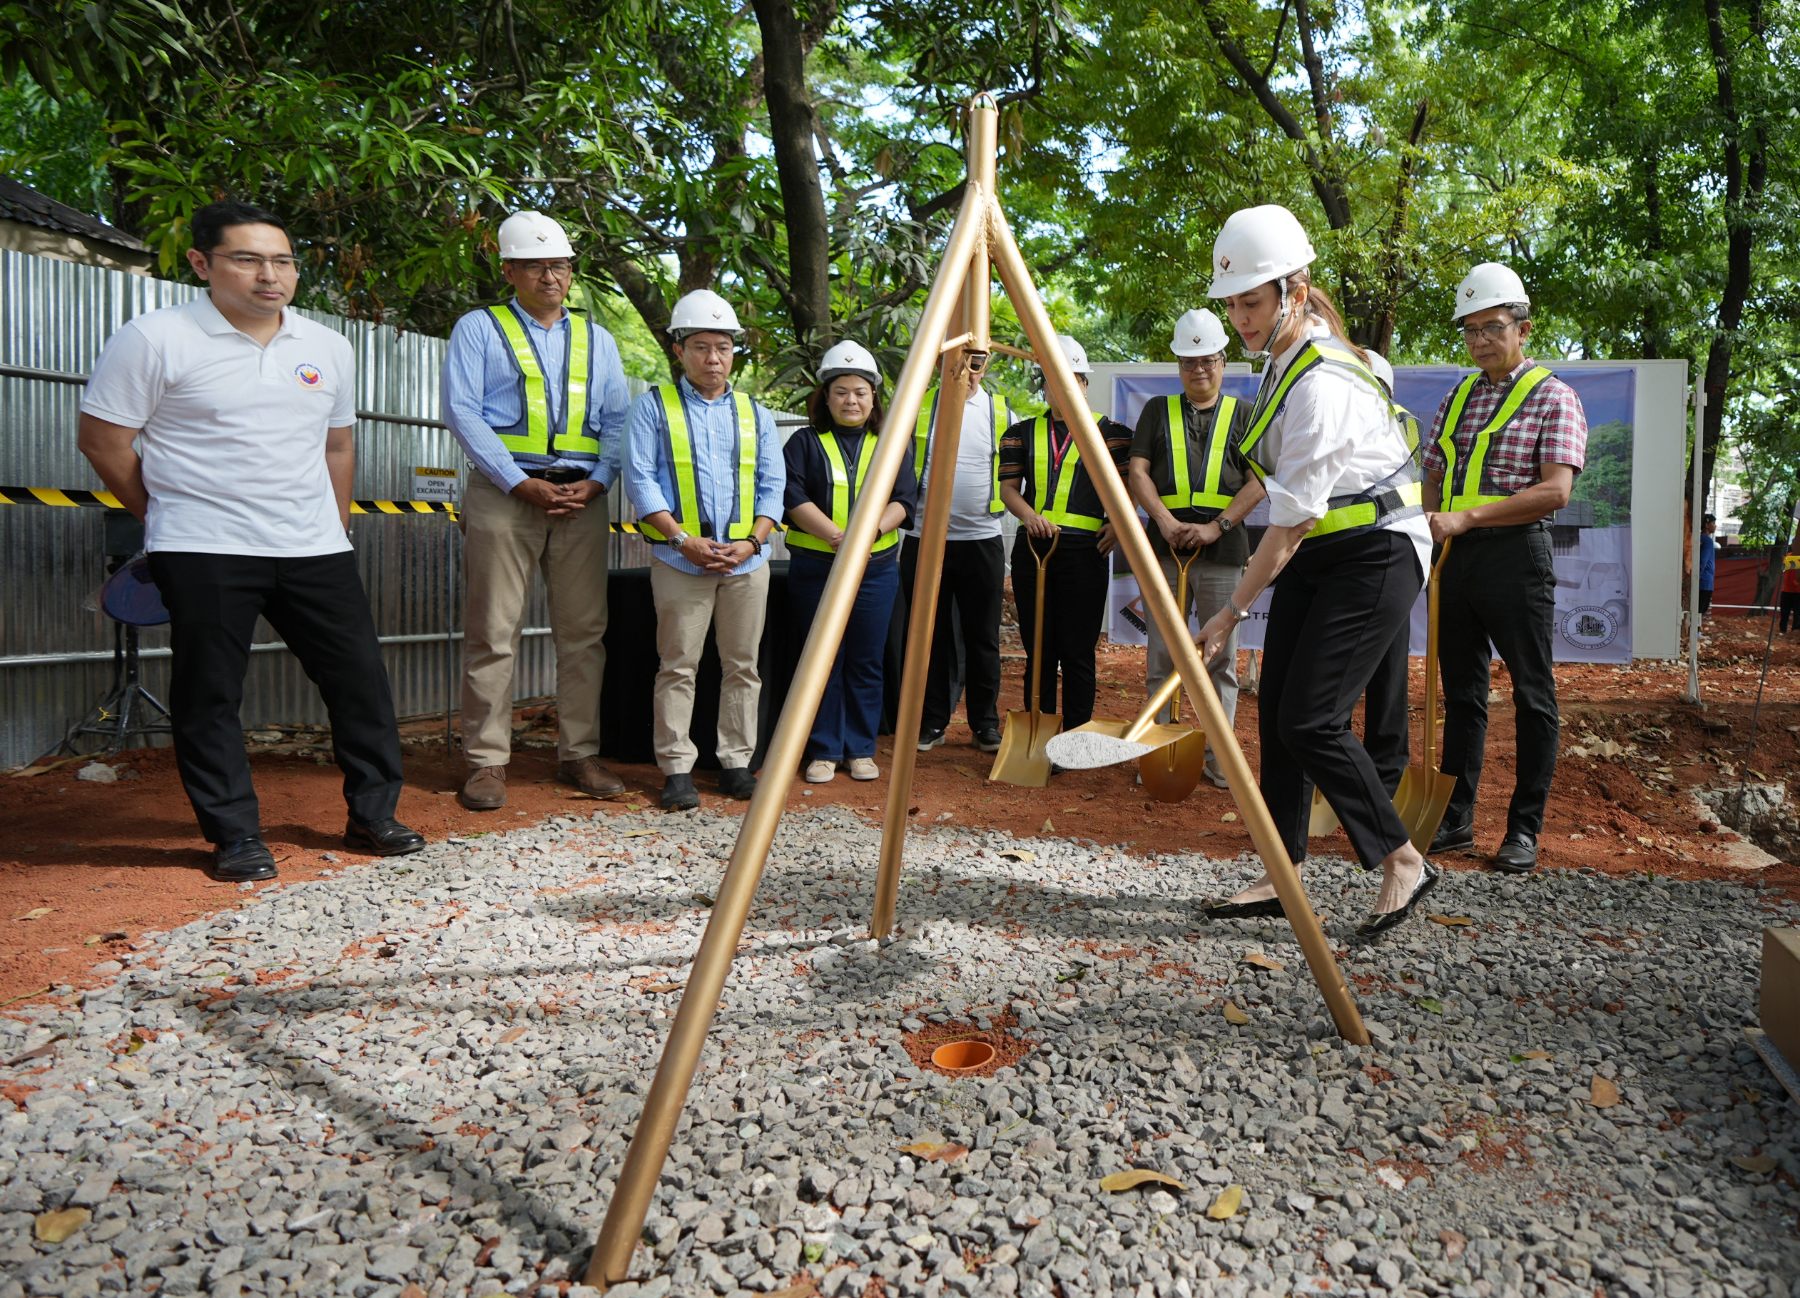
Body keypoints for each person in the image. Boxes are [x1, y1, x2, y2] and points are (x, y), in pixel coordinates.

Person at [76, 199, 423, 882]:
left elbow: (338, 443)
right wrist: (164, 517)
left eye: (283, 260)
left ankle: (373, 816)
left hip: (313, 547)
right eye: (248, 259)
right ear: (204, 263)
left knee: (360, 682)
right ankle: (234, 834)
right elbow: (104, 439)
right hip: (205, 546)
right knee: (210, 694)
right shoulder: (155, 338)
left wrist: (338, 522)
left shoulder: (327, 345)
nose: (270, 274)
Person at [1192, 204, 1436, 938]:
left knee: (1311, 715)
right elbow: (1280, 491)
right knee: (1278, 712)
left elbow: (1291, 522)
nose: (1239, 317)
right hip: (1329, 546)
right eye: (1231, 303)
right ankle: (1281, 868)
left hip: (1379, 551)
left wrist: (1229, 612)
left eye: (1252, 302)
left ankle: (1401, 860)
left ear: (1294, 292)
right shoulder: (1280, 361)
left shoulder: (1322, 381)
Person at [444, 211, 632, 812]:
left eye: (559, 264)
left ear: (571, 271)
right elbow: (463, 412)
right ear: (509, 271)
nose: (550, 275)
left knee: (584, 634)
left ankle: (578, 752)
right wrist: (515, 480)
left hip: (581, 498)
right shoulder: (479, 328)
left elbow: (619, 420)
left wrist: (601, 480)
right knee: (493, 632)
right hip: (505, 495)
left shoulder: (597, 338)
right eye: (535, 265)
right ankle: (486, 762)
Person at [1423, 262, 1588, 874]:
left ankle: (1523, 828)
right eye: (1470, 330)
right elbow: (1434, 469)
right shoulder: (1457, 396)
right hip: (1455, 559)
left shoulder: (1554, 396)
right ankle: (1456, 818)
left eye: (1492, 326)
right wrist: (1435, 519)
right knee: (1463, 695)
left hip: (1517, 557)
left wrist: (1466, 519)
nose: (1480, 340)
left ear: (1524, 328)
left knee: (1532, 693)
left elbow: (1555, 492)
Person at [623, 289, 785, 811]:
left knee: (742, 665)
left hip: (747, 562)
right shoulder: (652, 408)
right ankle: (676, 768)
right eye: (700, 347)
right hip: (680, 560)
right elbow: (641, 480)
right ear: (679, 349)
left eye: (722, 347)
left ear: (733, 351)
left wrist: (752, 542)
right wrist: (681, 540)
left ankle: (736, 762)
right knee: (678, 665)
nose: (713, 358)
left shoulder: (754, 414)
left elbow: (771, 485)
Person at [1126, 308, 1263, 788]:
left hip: (1223, 552)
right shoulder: (1155, 412)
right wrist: (1163, 521)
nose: (1198, 370)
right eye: (1189, 362)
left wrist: (1217, 526)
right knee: (1162, 654)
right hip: (1166, 550)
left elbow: (1259, 480)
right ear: (1179, 366)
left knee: (1220, 660)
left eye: (1207, 360)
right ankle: (1158, 751)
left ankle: (1218, 760)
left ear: (1223, 362)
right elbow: (1137, 471)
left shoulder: (1244, 414)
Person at [783, 341, 917, 783]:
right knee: (822, 659)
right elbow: (792, 497)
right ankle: (823, 749)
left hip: (874, 571)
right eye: (841, 391)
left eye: (860, 391)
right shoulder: (804, 441)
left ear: (874, 397)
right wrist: (838, 537)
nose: (851, 400)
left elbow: (904, 500)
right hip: (816, 569)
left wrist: (867, 536)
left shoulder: (892, 443)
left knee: (865, 659)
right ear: (826, 396)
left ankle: (860, 748)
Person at [994, 335, 1130, 736]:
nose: (1062, 387)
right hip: (1034, 549)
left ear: (1085, 383)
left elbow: (1126, 490)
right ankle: (1039, 734)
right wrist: (1030, 516)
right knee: (1039, 648)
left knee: (1077, 651)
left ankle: (1075, 736)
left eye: (1072, 378)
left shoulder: (1115, 434)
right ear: (1043, 384)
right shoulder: (1020, 433)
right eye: (1053, 379)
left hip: (1085, 552)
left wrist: (1119, 525)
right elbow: (1007, 491)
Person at [905, 357, 1012, 753]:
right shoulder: (918, 408)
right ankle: (933, 721)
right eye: (957, 361)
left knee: (983, 637)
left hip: (982, 539)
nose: (967, 370)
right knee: (931, 637)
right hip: (924, 539)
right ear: (937, 364)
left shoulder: (1000, 411)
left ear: (986, 365)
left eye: (976, 362)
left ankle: (984, 724)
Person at [1698, 513, 1717, 617]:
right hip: (1705, 582)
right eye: (1713, 523)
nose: (1715, 525)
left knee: (1699, 610)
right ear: (1706, 525)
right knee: (1701, 609)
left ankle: (1696, 632)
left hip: (1703, 580)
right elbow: (1703, 561)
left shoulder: (1700, 539)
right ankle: (1696, 632)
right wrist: (1699, 577)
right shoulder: (1707, 541)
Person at [1781, 555, 1800, 634]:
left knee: (1797, 613)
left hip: (1797, 591)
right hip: (1787, 590)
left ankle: (1795, 630)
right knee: (1785, 612)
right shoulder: (1788, 557)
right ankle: (1783, 629)